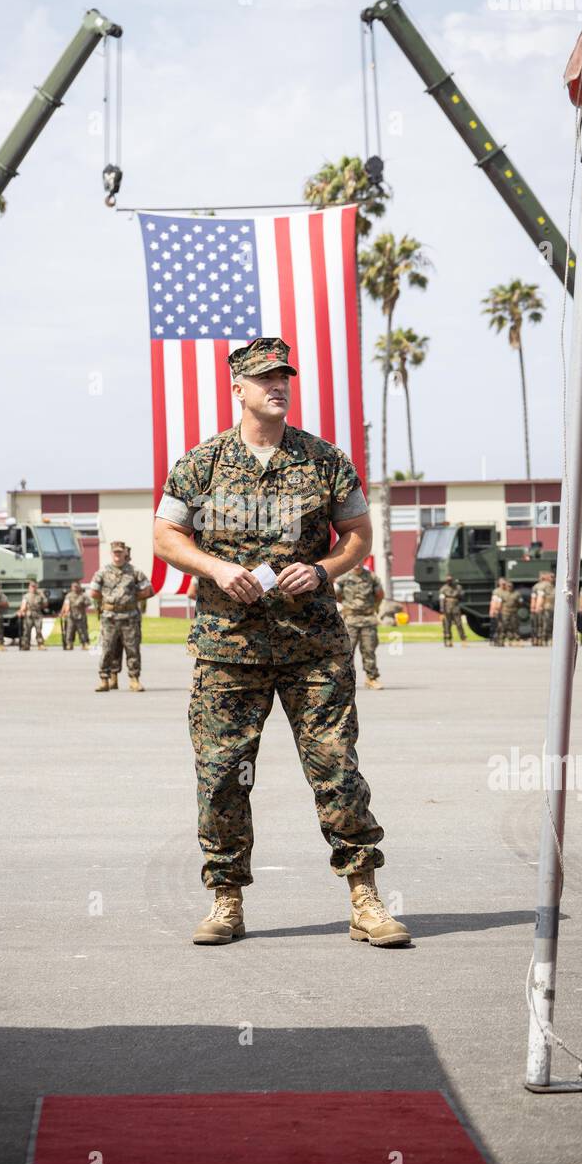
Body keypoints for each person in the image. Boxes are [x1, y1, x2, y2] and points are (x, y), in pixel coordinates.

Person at [154, 336, 409, 950]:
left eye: (284, 377)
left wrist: (323, 570)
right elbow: (166, 536)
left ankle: (364, 899)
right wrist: (213, 568)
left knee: (337, 771)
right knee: (221, 776)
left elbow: (357, 536)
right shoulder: (201, 463)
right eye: (264, 377)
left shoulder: (324, 460)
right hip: (228, 649)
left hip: (313, 647)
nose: (278, 385)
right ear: (237, 387)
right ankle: (226, 899)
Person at [90, 541, 153, 692]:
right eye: (115, 553)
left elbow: (148, 590)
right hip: (109, 617)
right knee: (108, 649)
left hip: (130, 617)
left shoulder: (134, 571)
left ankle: (134, 679)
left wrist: (130, 598)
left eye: (120, 552)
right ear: (111, 554)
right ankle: (106, 679)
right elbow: (94, 592)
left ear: (125, 553)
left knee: (132, 649)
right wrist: (109, 602)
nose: (117, 555)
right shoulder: (102, 572)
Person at [334, 562, 384, 687]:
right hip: (351, 619)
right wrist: (347, 607)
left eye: (360, 561)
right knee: (348, 651)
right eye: (355, 562)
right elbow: (336, 595)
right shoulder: (343, 577)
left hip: (368, 619)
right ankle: (346, 680)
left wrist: (374, 608)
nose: (357, 564)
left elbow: (379, 595)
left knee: (369, 650)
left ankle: (371, 678)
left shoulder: (372, 577)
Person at [437, 573, 466, 649]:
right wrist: (442, 610)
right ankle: (449, 640)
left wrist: (460, 595)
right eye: (448, 580)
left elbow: (462, 595)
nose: (449, 581)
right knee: (447, 625)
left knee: (459, 624)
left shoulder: (458, 587)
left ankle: (463, 639)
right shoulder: (443, 589)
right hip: (447, 609)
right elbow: (441, 600)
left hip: (456, 608)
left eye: (450, 580)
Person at [18, 580, 48, 650]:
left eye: (34, 586)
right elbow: (23, 605)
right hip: (29, 614)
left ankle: (40, 644)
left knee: (39, 630)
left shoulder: (40, 595)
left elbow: (45, 605)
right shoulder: (26, 596)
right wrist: (21, 611)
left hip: (37, 614)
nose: (33, 588)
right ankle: (26, 644)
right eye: (32, 586)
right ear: (29, 587)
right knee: (26, 631)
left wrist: (43, 596)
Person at [61, 580, 90, 650]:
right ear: (71, 587)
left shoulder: (83, 595)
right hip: (71, 617)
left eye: (77, 587)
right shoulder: (68, 595)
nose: (75, 588)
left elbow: (88, 603)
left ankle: (84, 643)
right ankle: (69, 644)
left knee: (82, 631)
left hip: (81, 616)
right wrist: (63, 612)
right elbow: (65, 605)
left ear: (79, 587)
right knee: (69, 631)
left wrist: (83, 603)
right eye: (74, 587)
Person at [488, 582, 503, 646]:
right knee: (495, 626)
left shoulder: (507, 591)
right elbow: (493, 602)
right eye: (502, 583)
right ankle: (493, 640)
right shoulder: (496, 592)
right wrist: (492, 610)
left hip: (504, 611)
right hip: (497, 611)